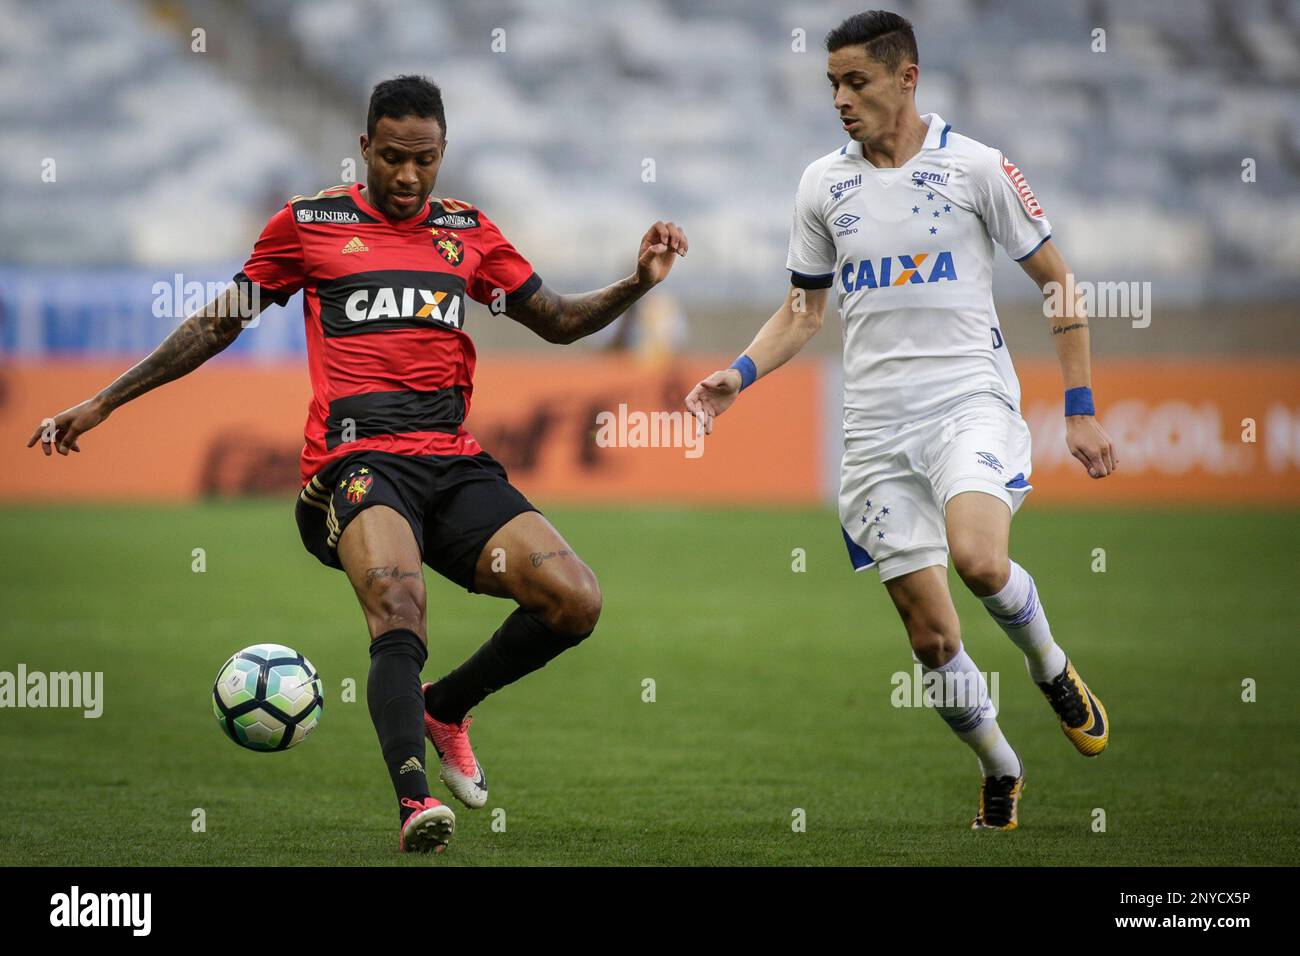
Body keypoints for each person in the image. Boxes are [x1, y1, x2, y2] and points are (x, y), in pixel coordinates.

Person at [28, 74, 687, 852]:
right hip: (354, 467)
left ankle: (445, 708)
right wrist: (104, 402)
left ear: (444, 154)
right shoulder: (309, 224)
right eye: (394, 158)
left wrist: (635, 284)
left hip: (450, 462)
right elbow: (216, 324)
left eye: (427, 160)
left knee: (575, 601)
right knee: (400, 605)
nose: (409, 177)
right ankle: (414, 802)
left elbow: (559, 322)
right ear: (365, 148)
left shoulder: (466, 231)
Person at [686, 11, 1112, 830]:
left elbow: (1057, 278)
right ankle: (1000, 764)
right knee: (931, 643)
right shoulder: (823, 185)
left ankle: (1051, 668)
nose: (841, 99)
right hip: (875, 433)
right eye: (832, 85)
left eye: (857, 82)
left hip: (967, 405)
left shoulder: (977, 167)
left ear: (906, 78)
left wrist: (1081, 407)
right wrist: (737, 376)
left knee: (981, 563)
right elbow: (803, 313)